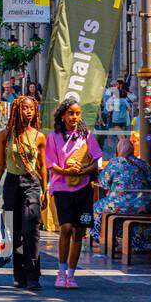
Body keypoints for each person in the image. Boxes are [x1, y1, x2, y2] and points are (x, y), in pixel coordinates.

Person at [45, 97, 103, 289]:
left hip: (83, 188)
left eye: (77, 113)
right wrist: (66, 171)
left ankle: (71, 274)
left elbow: (97, 160)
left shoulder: (87, 136)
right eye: (70, 113)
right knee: (67, 228)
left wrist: (84, 171)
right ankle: (60, 273)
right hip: (61, 187)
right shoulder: (53, 137)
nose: (74, 117)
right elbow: (50, 165)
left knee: (79, 231)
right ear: (62, 115)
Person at [0, 95, 47, 291]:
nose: (28, 111)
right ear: (16, 110)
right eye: (24, 108)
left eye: (31, 108)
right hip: (11, 183)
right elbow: (0, 164)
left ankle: (33, 276)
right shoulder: (5, 135)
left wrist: (44, 191)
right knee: (14, 231)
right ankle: (19, 275)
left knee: (31, 228)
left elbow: (42, 166)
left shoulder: (39, 136)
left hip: (31, 183)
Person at [90, 136, 151, 251]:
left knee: (96, 208)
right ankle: (137, 242)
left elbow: (103, 183)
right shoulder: (142, 163)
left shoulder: (114, 163)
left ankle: (104, 238)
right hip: (142, 205)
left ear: (118, 150)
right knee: (135, 213)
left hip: (118, 205)